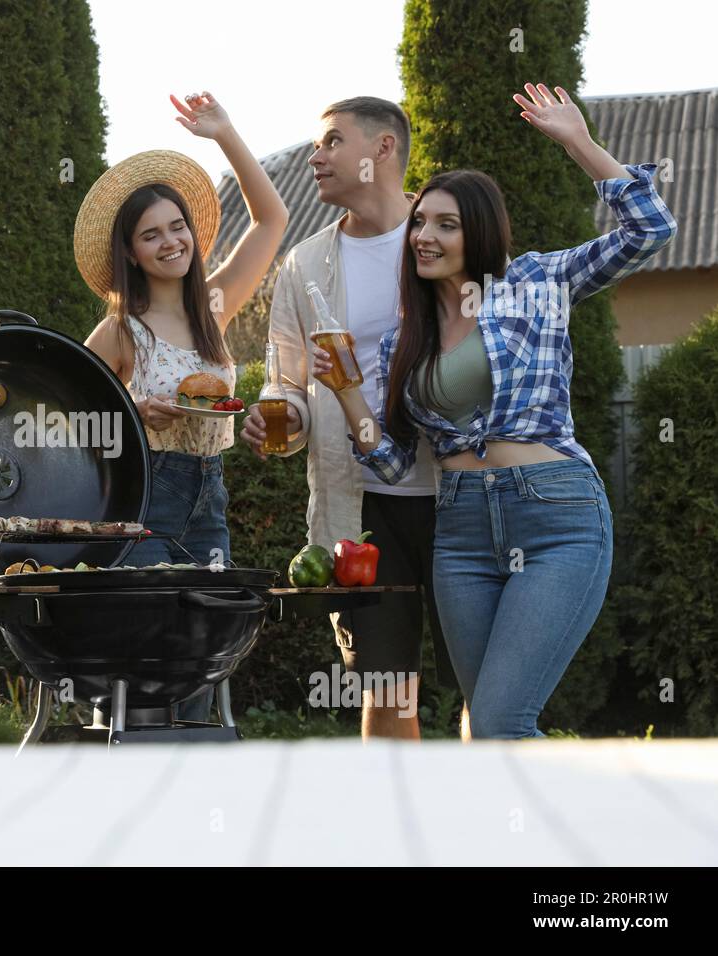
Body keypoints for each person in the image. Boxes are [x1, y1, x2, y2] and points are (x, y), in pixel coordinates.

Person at [314, 83, 676, 739]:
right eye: (420, 222)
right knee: (483, 729)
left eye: (445, 224)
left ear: (478, 233)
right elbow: (394, 465)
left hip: (554, 516)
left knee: (503, 721)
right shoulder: (407, 338)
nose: (423, 235)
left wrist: (579, 142)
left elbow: (650, 228)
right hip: (460, 534)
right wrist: (346, 392)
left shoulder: (537, 282)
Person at [241, 97, 463, 740]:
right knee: (385, 687)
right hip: (360, 509)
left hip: (462, 494)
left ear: (383, 150)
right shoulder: (305, 264)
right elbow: (287, 385)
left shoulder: (449, 235)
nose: (316, 155)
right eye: (317, 143)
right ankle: (392, 834)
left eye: (333, 141)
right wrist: (273, 415)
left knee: (481, 678)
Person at [76, 91, 287, 722]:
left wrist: (225, 135)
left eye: (177, 226)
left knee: (204, 661)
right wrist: (132, 411)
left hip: (208, 500)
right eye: (151, 234)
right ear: (131, 251)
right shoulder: (120, 330)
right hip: (144, 501)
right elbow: (66, 424)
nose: (170, 242)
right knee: (143, 668)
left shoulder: (215, 306)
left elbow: (271, 220)